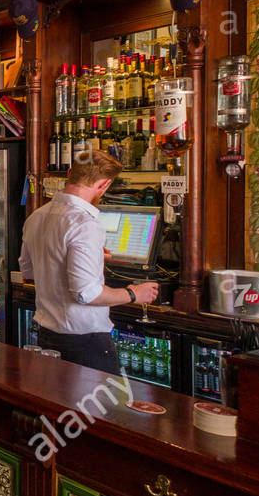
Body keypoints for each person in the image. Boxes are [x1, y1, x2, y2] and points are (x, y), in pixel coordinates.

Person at [19, 150, 159, 373]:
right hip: (84, 344)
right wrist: (134, 293)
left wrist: (82, 257)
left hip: (46, 337)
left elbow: (29, 271)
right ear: (104, 184)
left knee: (56, 405)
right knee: (98, 409)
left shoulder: (38, 215)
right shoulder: (85, 224)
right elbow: (87, 294)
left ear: (70, 172)